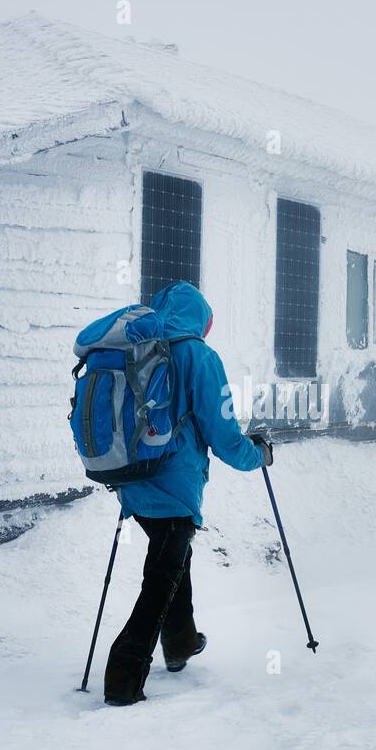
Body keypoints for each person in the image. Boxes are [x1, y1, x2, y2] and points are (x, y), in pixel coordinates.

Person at [103, 281, 274, 706]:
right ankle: (123, 676)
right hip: (173, 488)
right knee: (161, 576)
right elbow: (223, 436)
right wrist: (259, 456)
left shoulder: (138, 351)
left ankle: (179, 641)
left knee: (173, 555)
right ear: (199, 318)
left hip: (132, 478)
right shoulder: (199, 356)